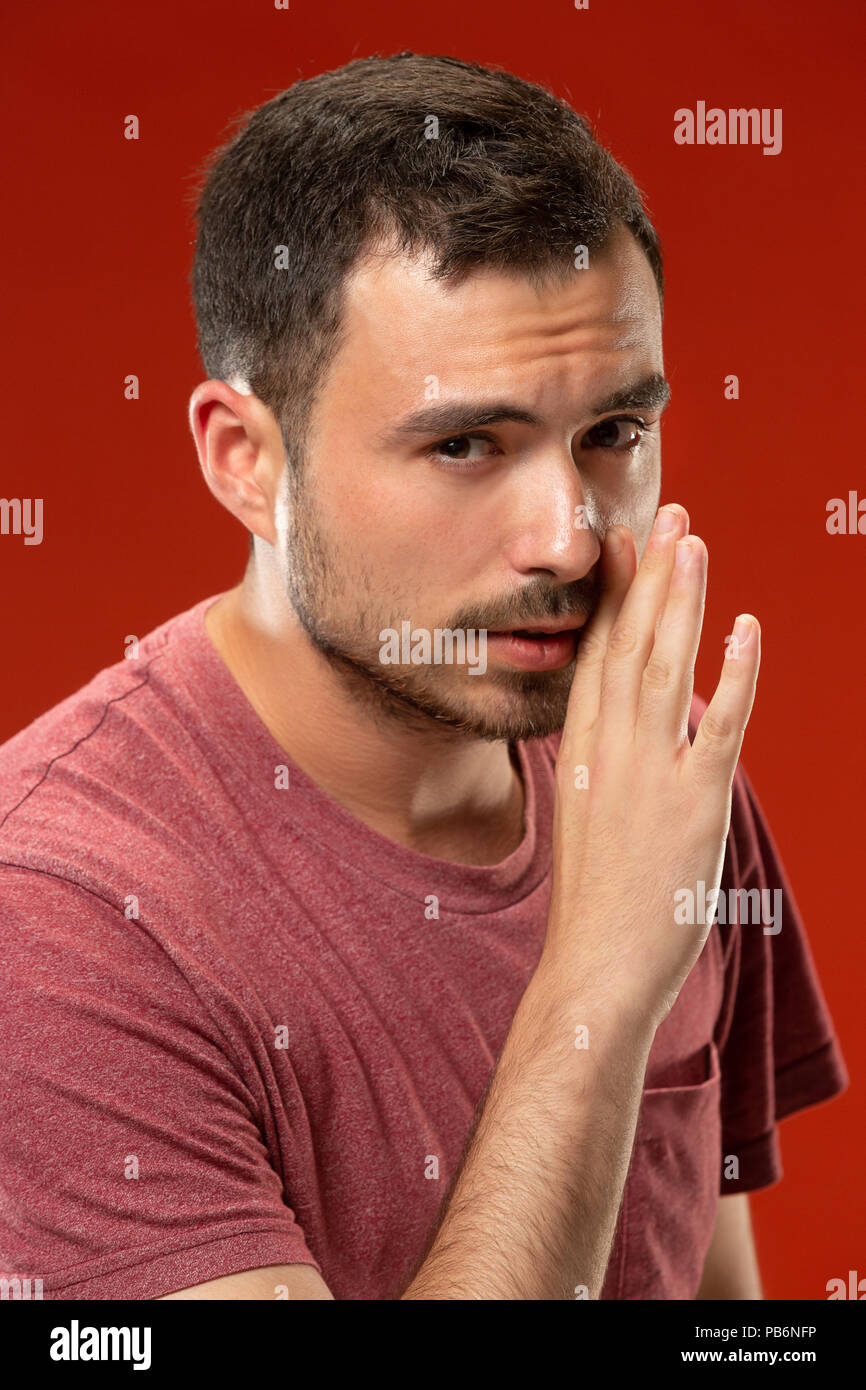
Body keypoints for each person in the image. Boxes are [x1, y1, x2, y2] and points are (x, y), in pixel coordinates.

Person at [0, 52, 847, 1301]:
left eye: (612, 434)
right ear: (244, 459)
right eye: (463, 444)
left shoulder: (645, 771)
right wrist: (598, 985)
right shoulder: (59, 918)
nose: (566, 535)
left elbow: (706, 1300)